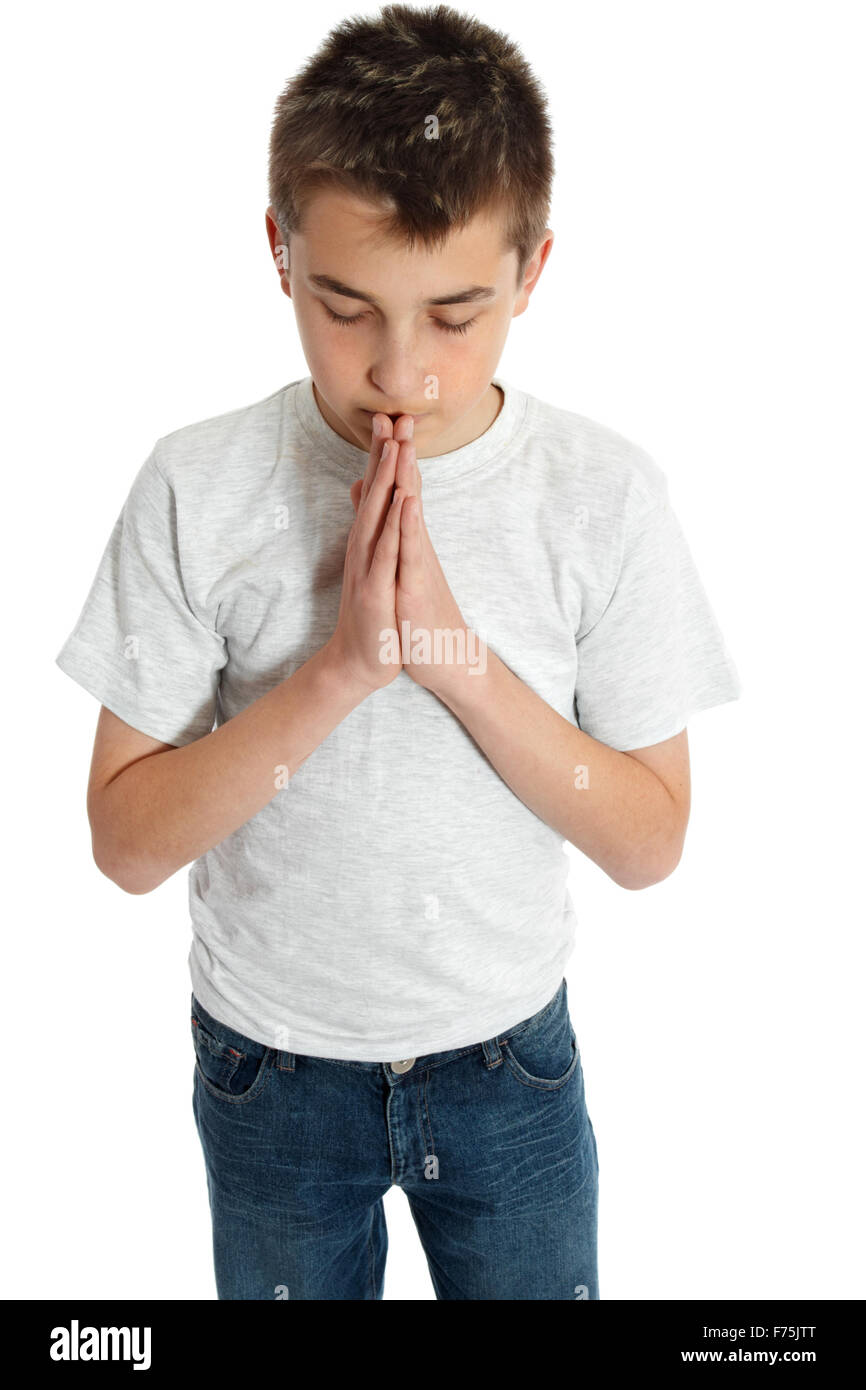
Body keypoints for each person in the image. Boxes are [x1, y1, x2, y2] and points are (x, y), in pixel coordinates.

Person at [55, 3, 742, 1300]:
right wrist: (339, 669)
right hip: (264, 1066)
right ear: (277, 252)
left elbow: (649, 844)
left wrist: (443, 649)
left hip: (508, 1067)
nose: (398, 373)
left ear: (533, 272)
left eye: (457, 313)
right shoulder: (197, 486)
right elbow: (125, 845)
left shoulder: (602, 495)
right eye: (345, 305)